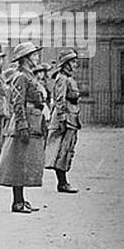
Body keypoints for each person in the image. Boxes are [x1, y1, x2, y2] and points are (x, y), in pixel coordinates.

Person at [0, 41, 48, 212]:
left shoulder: (29, 75)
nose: (37, 57)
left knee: (26, 161)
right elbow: (17, 102)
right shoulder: (21, 76)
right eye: (34, 55)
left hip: (33, 121)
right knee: (19, 162)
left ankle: (22, 199)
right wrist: (22, 124)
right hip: (25, 123)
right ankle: (17, 202)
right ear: (26, 58)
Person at [46, 48, 82, 193]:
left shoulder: (68, 79)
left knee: (67, 150)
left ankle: (63, 182)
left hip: (71, 118)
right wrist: (61, 118)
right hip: (65, 119)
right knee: (63, 151)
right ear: (65, 64)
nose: (75, 65)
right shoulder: (62, 79)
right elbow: (59, 100)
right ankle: (62, 183)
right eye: (72, 62)